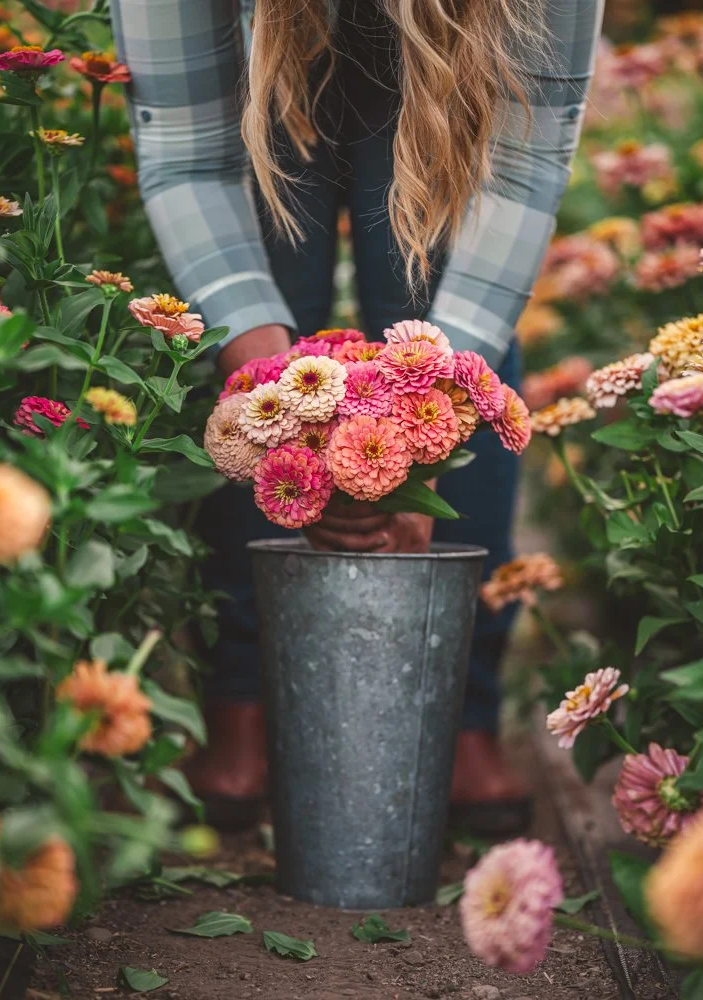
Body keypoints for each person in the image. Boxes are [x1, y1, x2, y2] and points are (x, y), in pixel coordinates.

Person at [110, 0, 602, 832]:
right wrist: (282, 401)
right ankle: (245, 690)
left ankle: (459, 707)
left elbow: (520, 170)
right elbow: (191, 158)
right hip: (257, 31)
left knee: (432, 278)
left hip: (465, 29)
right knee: (262, 270)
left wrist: (421, 426)